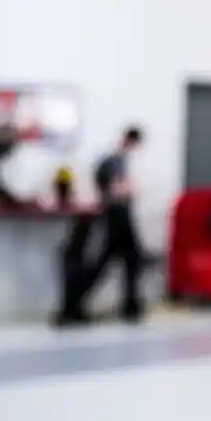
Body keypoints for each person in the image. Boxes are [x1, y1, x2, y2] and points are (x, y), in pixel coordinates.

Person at [71, 126, 148, 323]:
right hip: (117, 215)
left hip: (115, 214)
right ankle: (76, 301)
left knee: (129, 260)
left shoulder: (113, 159)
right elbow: (116, 190)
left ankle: (130, 304)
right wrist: (129, 190)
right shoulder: (116, 160)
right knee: (112, 261)